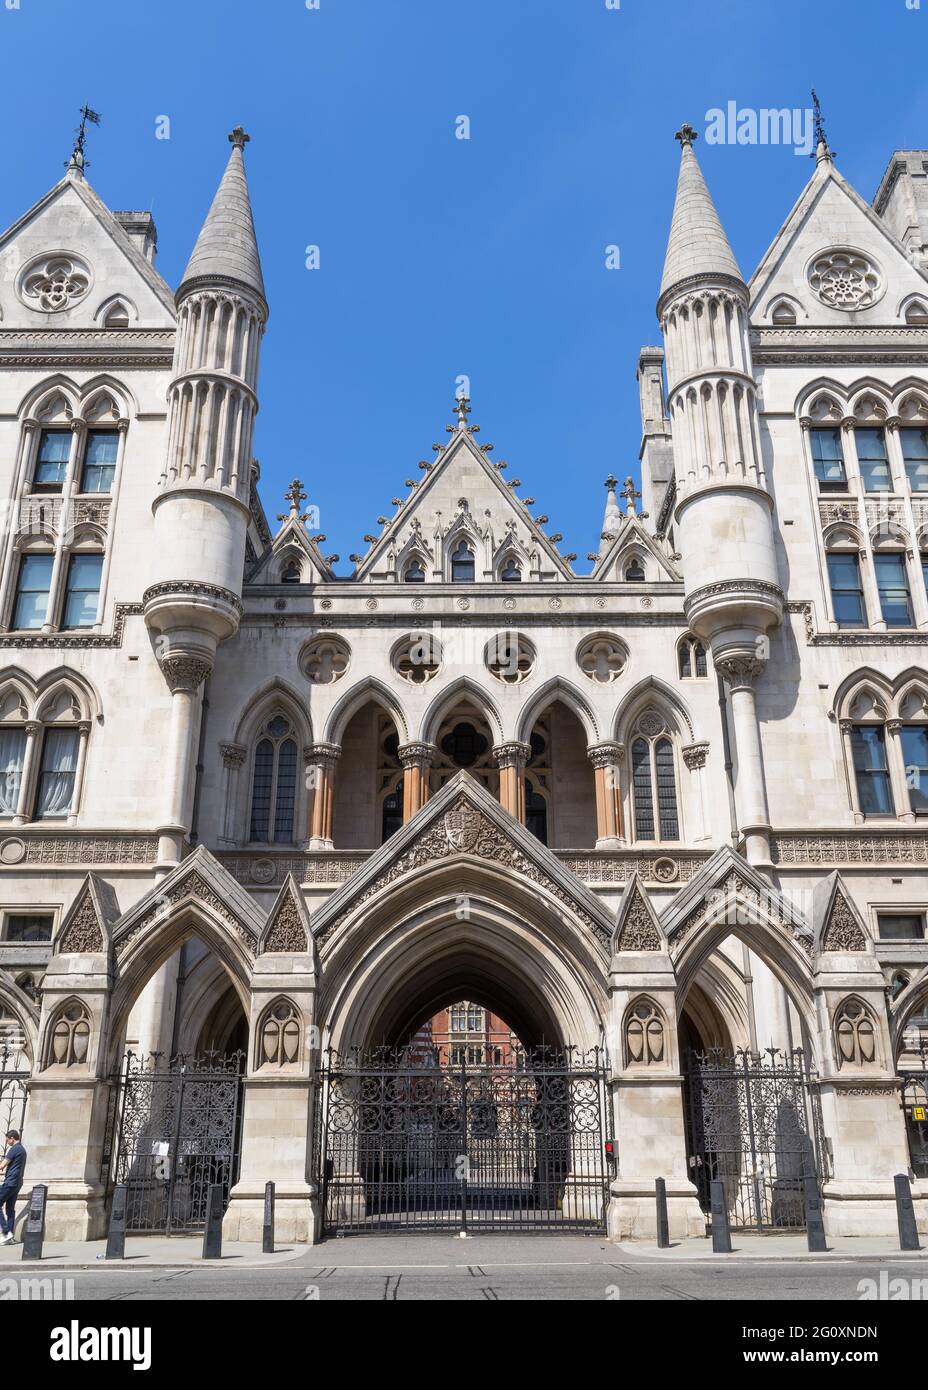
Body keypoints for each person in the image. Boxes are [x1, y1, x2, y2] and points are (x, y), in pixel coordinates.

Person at [0, 1129, 26, 1245]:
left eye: (7, 1140)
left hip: (10, 1182)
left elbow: (2, 1166)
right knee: (10, 1209)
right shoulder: (22, 1150)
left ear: (12, 1138)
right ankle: (9, 1236)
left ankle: (6, 1233)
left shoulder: (14, 1149)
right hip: (18, 1182)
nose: (7, 1142)